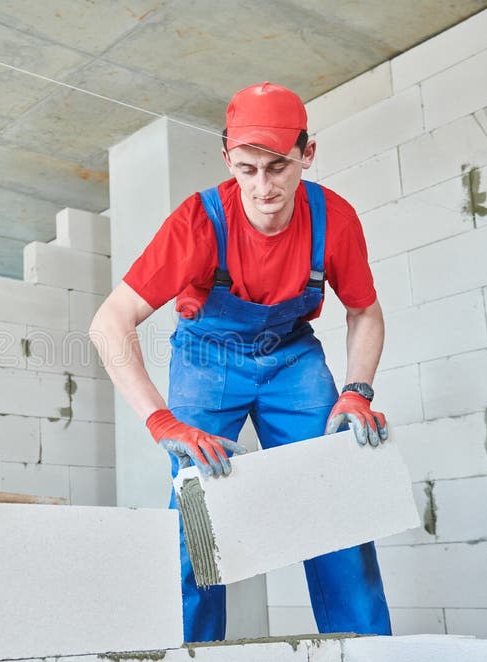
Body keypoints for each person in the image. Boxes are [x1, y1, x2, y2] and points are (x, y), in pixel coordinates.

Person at [89, 82, 392, 643]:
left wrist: (357, 391)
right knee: (197, 514)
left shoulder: (334, 220)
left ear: (307, 153)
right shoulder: (198, 222)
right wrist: (161, 421)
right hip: (207, 358)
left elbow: (365, 312)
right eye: (247, 169)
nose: (262, 187)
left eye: (277, 168)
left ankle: (365, 651)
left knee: (336, 499)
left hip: (292, 356)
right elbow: (109, 322)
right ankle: (195, 652)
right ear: (228, 158)